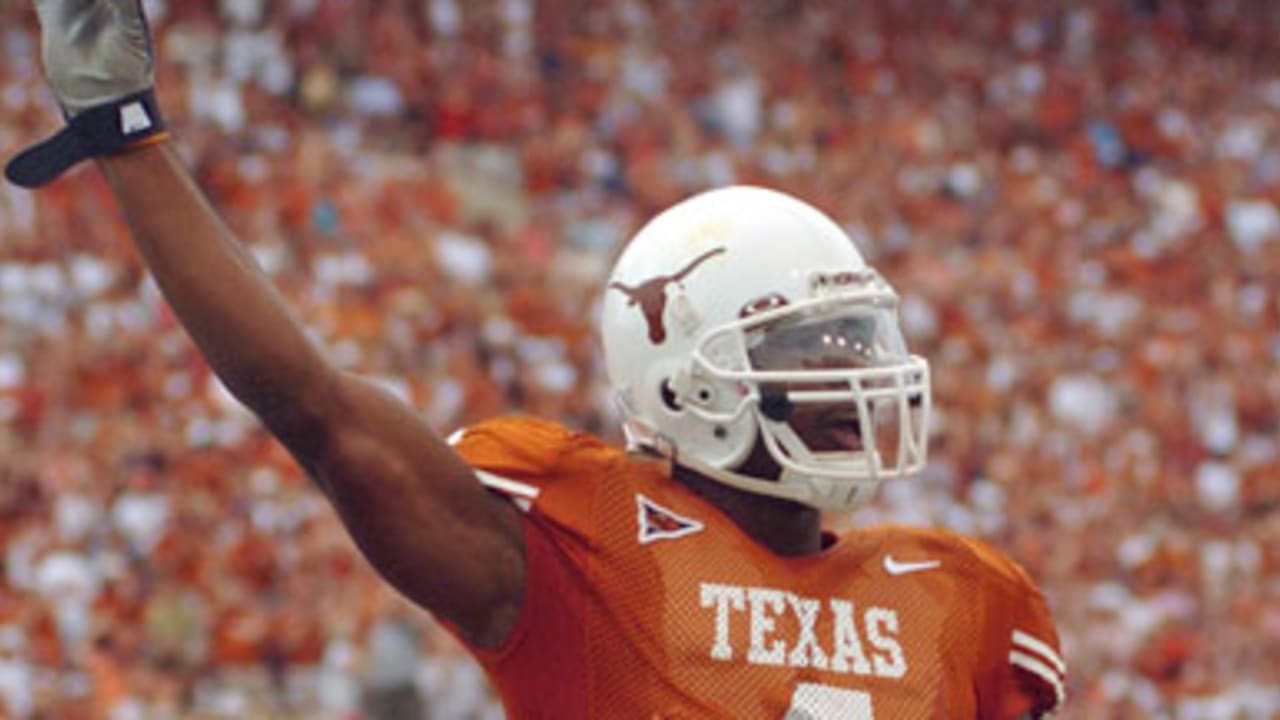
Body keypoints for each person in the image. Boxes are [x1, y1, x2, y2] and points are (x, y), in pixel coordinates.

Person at [6, 2, 1065, 718]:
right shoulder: (584, 538)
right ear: (684, 377)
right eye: (808, 353)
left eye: (858, 346)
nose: (854, 384)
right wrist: (124, 137)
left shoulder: (965, 601)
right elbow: (314, 408)